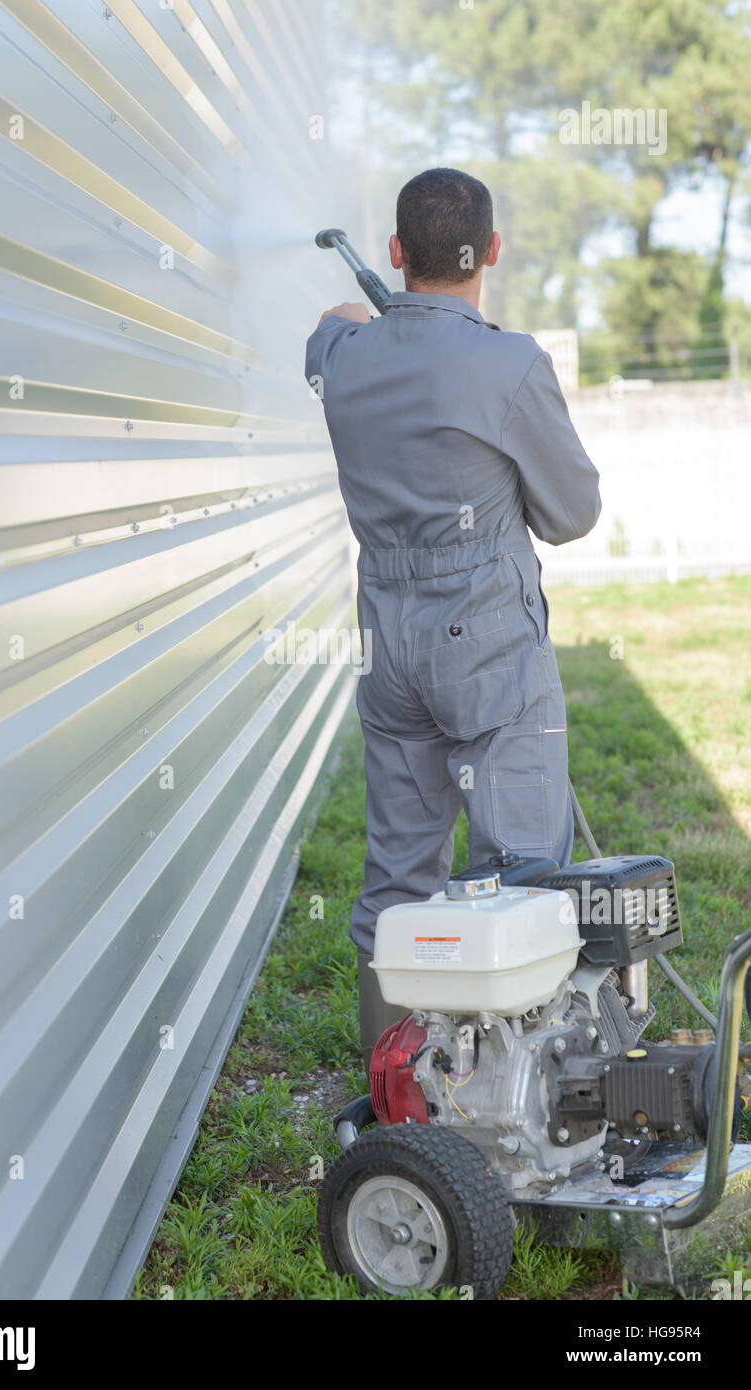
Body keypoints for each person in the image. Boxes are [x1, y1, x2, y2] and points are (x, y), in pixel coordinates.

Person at [305, 168, 601, 1070]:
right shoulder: (509, 364)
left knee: (399, 871)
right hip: (486, 643)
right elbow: (571, 513)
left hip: (386, 634)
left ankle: (395, 1087)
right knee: (522, 864)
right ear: (492, 252)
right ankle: (528, 1093)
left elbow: (328, 328)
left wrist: (375, 318)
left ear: (395, 254)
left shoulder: (342, 358)